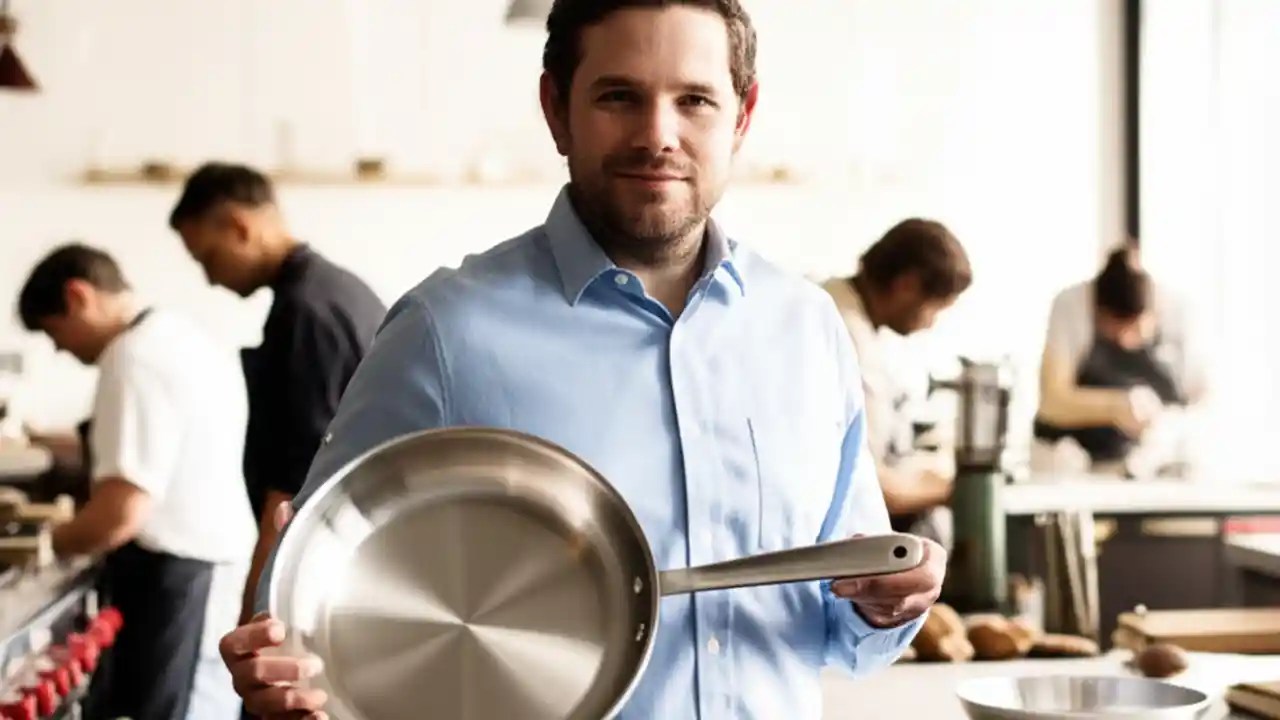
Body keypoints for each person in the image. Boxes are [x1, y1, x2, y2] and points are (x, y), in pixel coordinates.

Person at [220, 2, 946, 718]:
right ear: (557, 109)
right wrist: (278, 673)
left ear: (742, 116)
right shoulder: (446, 332)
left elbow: (846, 621)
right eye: (618, 97)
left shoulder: (807, 329)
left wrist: (888, 603)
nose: (657, 135)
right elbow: (305, 604)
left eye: (694, 100)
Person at [17, 243, 256, 720]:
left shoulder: (133, 359)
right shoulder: (177, 335)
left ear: (78, 296)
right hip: (209, 569)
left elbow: (119, 513)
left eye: (54, 331)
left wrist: (39, 547)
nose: (60, 349)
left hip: (174, 581)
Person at [167, 162, 387, 625]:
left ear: (238, 227)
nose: (209, 278)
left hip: (319, 570)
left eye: (207, 257)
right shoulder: (338, 291)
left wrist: (255, 610)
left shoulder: (306, 312)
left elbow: (293, 489)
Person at [820, 219, 972, 550]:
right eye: (935, 308)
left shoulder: (831, 301)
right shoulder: (848, 336)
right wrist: (955, 491)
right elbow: (868, 487)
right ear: (906, 285)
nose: (931, 324)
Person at [1033, 245, 1211, 475]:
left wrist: (1165, 425)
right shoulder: (1071, 306)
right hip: (1076, 467)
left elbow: (1204, 403)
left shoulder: (1180, 314)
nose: (1125, 341)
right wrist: (1116, 406)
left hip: (1152, 467)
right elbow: (1051, 402)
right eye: (1115, 330)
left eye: (1134, 329)